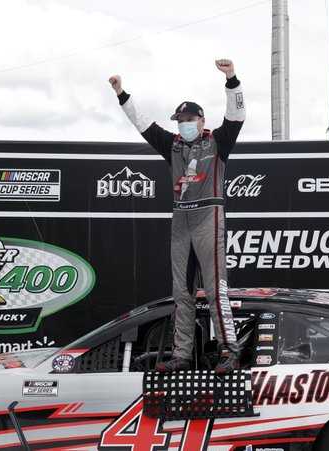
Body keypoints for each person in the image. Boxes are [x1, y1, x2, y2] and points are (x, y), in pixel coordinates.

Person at [109, 59, 245, 373]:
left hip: (208, 218)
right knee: (180, 293)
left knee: (215, 289)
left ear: (200, 120)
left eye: (188, 118)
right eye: (179, 119)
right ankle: (182, 355)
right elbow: (143, 124)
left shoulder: (217, 142)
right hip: (181, 222)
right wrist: (121, 93)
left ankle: (230, 351)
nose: (183, 123)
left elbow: (237, 115)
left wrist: (231, 79)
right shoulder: (171, 145)